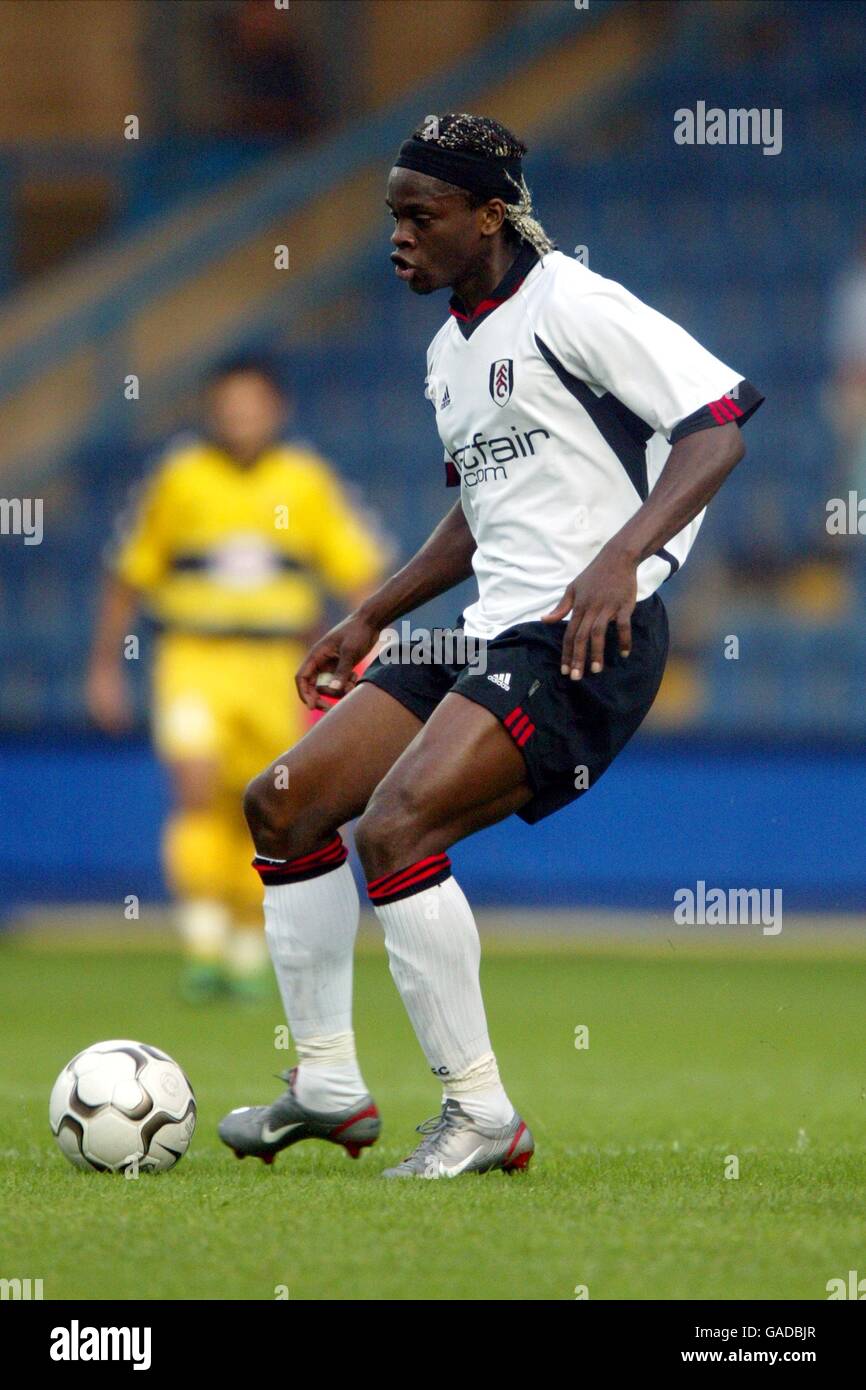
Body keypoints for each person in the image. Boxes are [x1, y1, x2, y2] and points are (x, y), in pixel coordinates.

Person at [219, 114, 764, 1177]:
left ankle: (478, 1114)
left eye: (420, 216)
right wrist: (373, 610)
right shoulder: (446, 355)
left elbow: (717, 424)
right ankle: (325, 1084)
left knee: (397, 826)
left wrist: (621, 557)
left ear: (489, 214)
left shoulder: (574, 303)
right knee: (281, 803)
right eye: (391, 217)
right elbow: (483, 511)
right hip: (483, 631)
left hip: (582, 637)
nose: (399, 238)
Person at [86, 357, 385, 1001]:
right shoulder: (180, 478)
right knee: (196, 786)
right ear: (212, 411)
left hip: (277, 663)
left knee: (265, 806)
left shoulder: (305, 482)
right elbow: (128, 574)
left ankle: (249, 943)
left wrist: (371, 651)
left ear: (275, 410)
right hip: (195, 656)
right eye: (228, 405)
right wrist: (105, 667)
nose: (238, 416)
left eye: (251, 405)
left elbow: (357, 572)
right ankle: (203, 937)